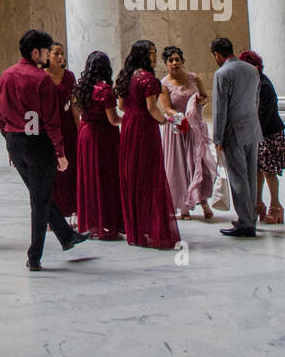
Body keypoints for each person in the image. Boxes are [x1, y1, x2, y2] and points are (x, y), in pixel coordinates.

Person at [0, 29, 90, 271]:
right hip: (38, 143)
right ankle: (34, 256)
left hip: (16, 141)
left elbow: (1, 113)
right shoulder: (41, 80)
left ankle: (66, 235)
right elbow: (51, 120)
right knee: (39, 200)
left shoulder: (6, 75)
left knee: (40, 194)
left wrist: (8, 140)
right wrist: (60, 151)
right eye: (47, 51)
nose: (49, 55)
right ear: (35, 52)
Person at [116, 40, 180, 250]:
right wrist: (164, 122)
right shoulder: (148, 79)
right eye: (152, 53)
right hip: (144, 128)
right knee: (150, 175)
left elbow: (122, 106)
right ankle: (152, 225)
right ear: (144, 55)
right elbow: (152, 108)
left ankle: (136, 227)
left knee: (132, 175)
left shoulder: (126, 77)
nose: (154, 57)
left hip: (129, 127)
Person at [210, 36, 262, 238]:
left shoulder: (222, 73)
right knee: (250, 176)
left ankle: (245, 222)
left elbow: (220, 108)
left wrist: (217, 138)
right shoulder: (252, 70)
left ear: (217, 54)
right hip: (252, 127)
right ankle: (251, 218)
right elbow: (255, 101)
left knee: (238, 178)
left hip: (233, 130)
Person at [158, 46, 216, 220]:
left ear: (183, 61)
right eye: (171, 60)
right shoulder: (164, 84)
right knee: (180, 166)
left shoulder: (194, 78)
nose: (175, 63)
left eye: (177, 59)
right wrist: (179, 117)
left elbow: (205, 97)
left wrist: (199, 101)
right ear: (166, 64)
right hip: (177, 129)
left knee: (199, 163)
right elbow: (167, 108)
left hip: (194, 128)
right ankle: (184, 206)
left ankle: (203, 201)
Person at [74, 50, 124, 241]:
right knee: (106, 178)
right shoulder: (104, 90)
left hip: (86, 135)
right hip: (103, 137)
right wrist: (128, 119)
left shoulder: (83, 88)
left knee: (89, 178)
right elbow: (113, 119)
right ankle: (108, 223)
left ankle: (92, 222)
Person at [238, 50, 285, 225]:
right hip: (258, 133)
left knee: (269, 172)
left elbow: (263, 114)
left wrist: (250, 132)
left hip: (269, 134)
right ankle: (258, 203)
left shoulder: (264, 85)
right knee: (257, 170)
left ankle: (276, 206)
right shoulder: (252, 83)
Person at [45, 40, 79, 218]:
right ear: (48, 55)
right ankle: (53, 215)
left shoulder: (70, 76)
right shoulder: (41, 76)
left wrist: (79, 128)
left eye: (61, 53)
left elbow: (74, 105)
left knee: (70, 170)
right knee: (52, 172)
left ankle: (71, 210)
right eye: (56, 53)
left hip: (67, 127)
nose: (59, 57)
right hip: (48, 128)